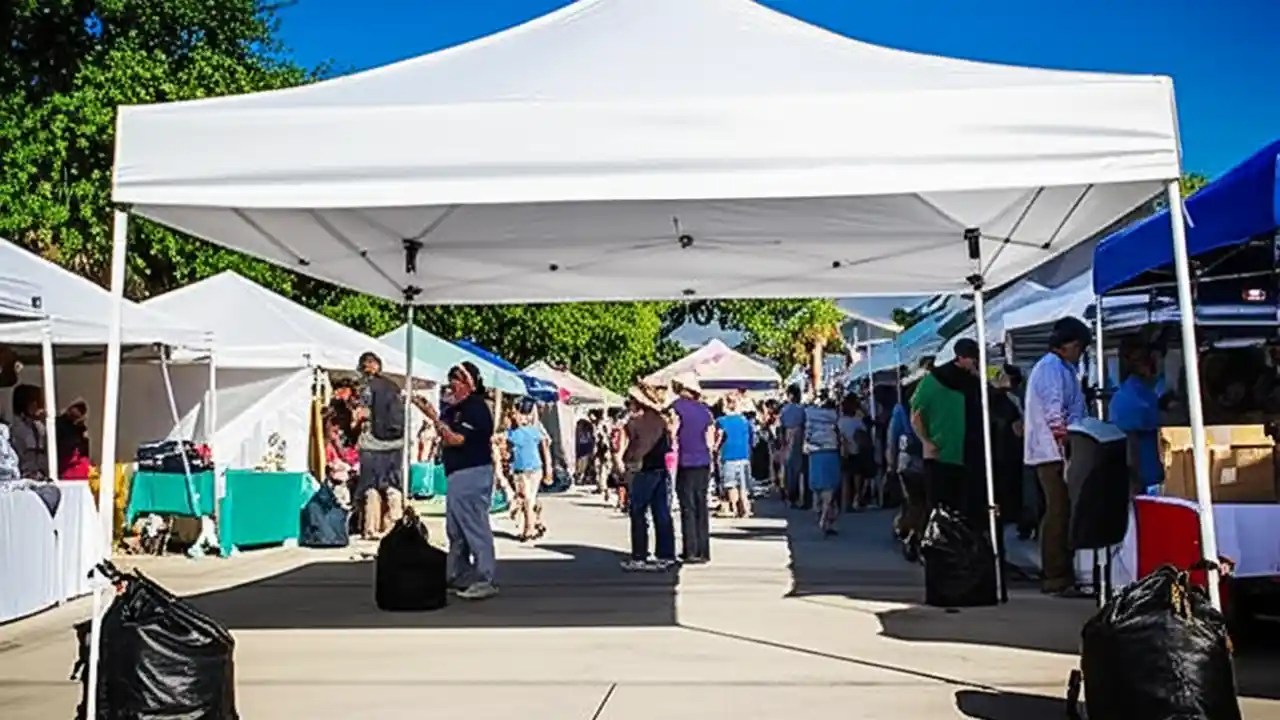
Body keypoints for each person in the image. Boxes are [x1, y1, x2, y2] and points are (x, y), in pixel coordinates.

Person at [415, 361, 499, 600]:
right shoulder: (455, 409)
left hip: (472, 472)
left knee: (474, 527)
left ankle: (485, 577)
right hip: (457, 473)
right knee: (455, 530)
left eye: (457, 381)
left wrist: (433, 417)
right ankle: (457, 574)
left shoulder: (476, 408)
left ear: (469, 384)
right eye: (451, 381)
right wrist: (432, 412)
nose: (452, 386)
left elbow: (456, 439)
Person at [1024, 317, 1092, 598]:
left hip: (1056, 449)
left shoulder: (1061, 368)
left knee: (1060, 511)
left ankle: (1059, 571)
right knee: (1058, 511)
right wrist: (1065, 448)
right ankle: (1055, 574)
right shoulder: (1052, 369)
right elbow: (1055, 413)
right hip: (1053, 453)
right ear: (1072, 345)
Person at [910, 339, 983, 524]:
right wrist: (926, 441)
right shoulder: (934, 381)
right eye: (973, 359)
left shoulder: (973, 382)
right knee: (942, 508)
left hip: (968, 452)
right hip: (942, 454)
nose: (976, 362)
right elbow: (916, 415)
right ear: (961, 358)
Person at [621, 383, 677, 571]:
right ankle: (666, 554)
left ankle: (639, 555)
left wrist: (623, 465)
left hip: (641, 469)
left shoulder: (633, 423)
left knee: (638, 513)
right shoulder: (661, 421)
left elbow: (627, 447)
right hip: (660, 468)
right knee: (661, 513)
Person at [352, 352, 406, 540]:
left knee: (371, 486)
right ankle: (394, 527)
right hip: (396, 443)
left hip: (373, 443)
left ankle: (371, 528)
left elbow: (363, 413)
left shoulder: (366, 386)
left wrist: (355, 423)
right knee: (392, 486)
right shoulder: (393, 386)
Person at [1110, 338, 1166, 495]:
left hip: (1154, 479)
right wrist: (1134, 483)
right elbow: (1130, 445)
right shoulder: (1130, 398)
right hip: (1144, 483)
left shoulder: (1147, 394)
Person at [670, 372, 715, 564]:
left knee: (687, 506)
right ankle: (704, 550)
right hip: (703, 461)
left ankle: (691, 549)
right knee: (701, 505)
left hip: (685, 461)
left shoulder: (676, 408)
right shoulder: (705, 411)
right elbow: (710, 439)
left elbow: (672, 432)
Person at [500, 397, 552, 542]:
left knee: (528, 498)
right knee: (528, 498)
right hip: (523, 470)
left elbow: (545, 448)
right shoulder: (513, 433)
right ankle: (535, 523)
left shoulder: (532, 431)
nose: (520, 417)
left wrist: (548, 468)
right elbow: (508, 452)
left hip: (532, 469)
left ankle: (529, 529)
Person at [888, 370, 927, 560]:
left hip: (907, 460)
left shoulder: (900, 409)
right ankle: (915, 535)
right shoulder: (928, 404)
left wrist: (890, 463)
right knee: (923, 501)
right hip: (926, 458)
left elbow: (892, 438)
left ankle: (911, 533)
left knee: (913, 501)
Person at [805, 392, 843, 535]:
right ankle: (824, 517)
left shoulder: (810, 417)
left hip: (815, 452)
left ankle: (819, 510)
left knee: (817, 486)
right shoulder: (835, 419)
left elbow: (806, 435)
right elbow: (840, 435)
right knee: (829, 487)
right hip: (831, 452)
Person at [715, 393, 753, 519]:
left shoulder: (721, 421)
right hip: (743, 455)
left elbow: (719, 438)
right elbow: (751, 439)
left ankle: (736, 508)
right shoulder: (744, 421)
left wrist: (715, 449)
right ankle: (746, 509)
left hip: (728, 455)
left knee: (731, 485)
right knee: (743, 486)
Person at [9, 384, 48, 480]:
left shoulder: (40, 427)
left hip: (41, 476)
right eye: (38, 403)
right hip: (24, 477)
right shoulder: (17, 429)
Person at [779, 384, 808, 508]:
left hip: (789, 438)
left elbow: (782, 427)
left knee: (790, 470)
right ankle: (802, 498)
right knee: (801, 469)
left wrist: (782, 442)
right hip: (800, 438)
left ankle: (792, 497)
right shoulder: (803, 409)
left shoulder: (785, 410)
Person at [836, 394, 865, 511]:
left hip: (844, 453)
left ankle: (845, 503)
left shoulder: (840, 422)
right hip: (856, 451)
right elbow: (864, 434)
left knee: (846, 478)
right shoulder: (857, 422)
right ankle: (857, 499)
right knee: (857, 477)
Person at [55, 398, 92, 480]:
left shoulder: (80, 428)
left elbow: (85, 448)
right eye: (77, 408)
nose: (78, 412)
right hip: (66, 463)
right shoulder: (58, 423)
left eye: (82, 411)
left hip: (78, 462)